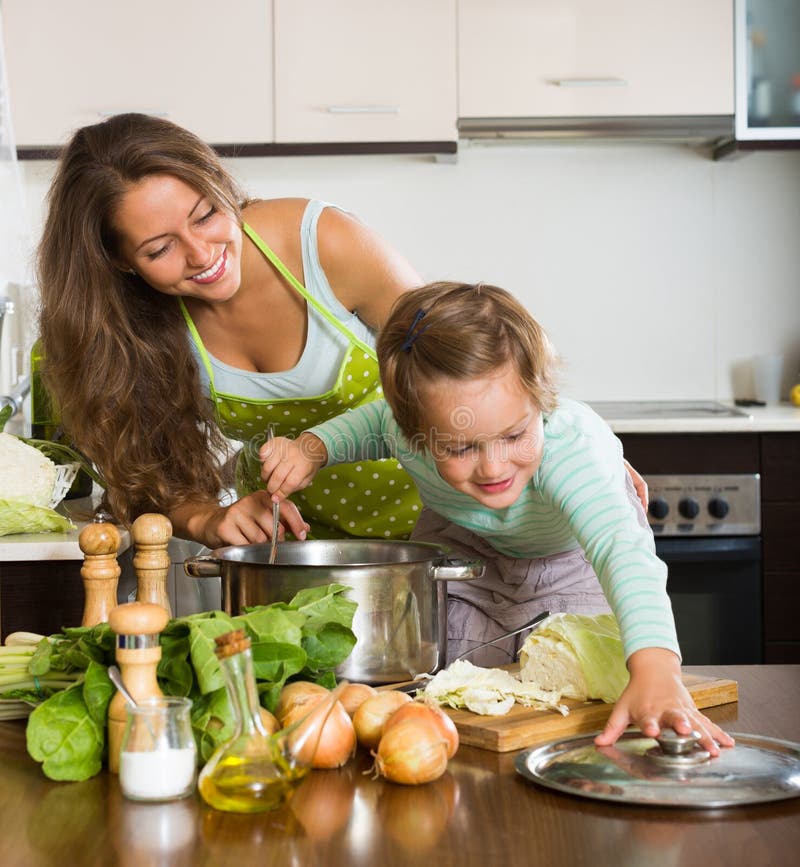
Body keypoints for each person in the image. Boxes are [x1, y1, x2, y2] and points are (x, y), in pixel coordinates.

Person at [259, 282, 733, 753]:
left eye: (514, 435)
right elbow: (368, 424)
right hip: (467, 547)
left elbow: (621, 550)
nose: (493, 467)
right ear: (416, 432)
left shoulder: (569, 454)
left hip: (570, 558)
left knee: (575, 680)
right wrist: (312, 449)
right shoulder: (405, 428)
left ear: (542, 403)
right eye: (460, 447)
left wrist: (656, 669)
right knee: (467, 684)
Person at [35, 112, 426, 547]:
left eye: (205, 216)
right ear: (120, 262)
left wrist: (321, 444)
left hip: (447, 523)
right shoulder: (128, 329)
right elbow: (147, 478)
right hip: (298, 551)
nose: (202, 254)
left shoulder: (322, 243)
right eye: (161, 248)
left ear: (220, 184)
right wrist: (209, 520)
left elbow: (463, 375)